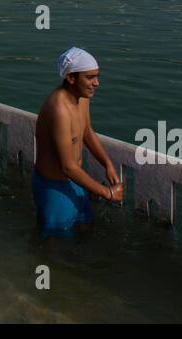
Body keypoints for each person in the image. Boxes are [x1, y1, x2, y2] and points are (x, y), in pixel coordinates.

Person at [32, 47, 122, 239]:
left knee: (84, 231)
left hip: (75, 182)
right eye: (90, 78)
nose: (96, 83)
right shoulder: (59, 109)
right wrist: (108, 193)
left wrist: (107, 164)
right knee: (55, 245)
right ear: (71, 78)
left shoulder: (81, 98)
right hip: (54, 188)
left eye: (97, 76)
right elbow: (67, 167)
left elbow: (87, 132)